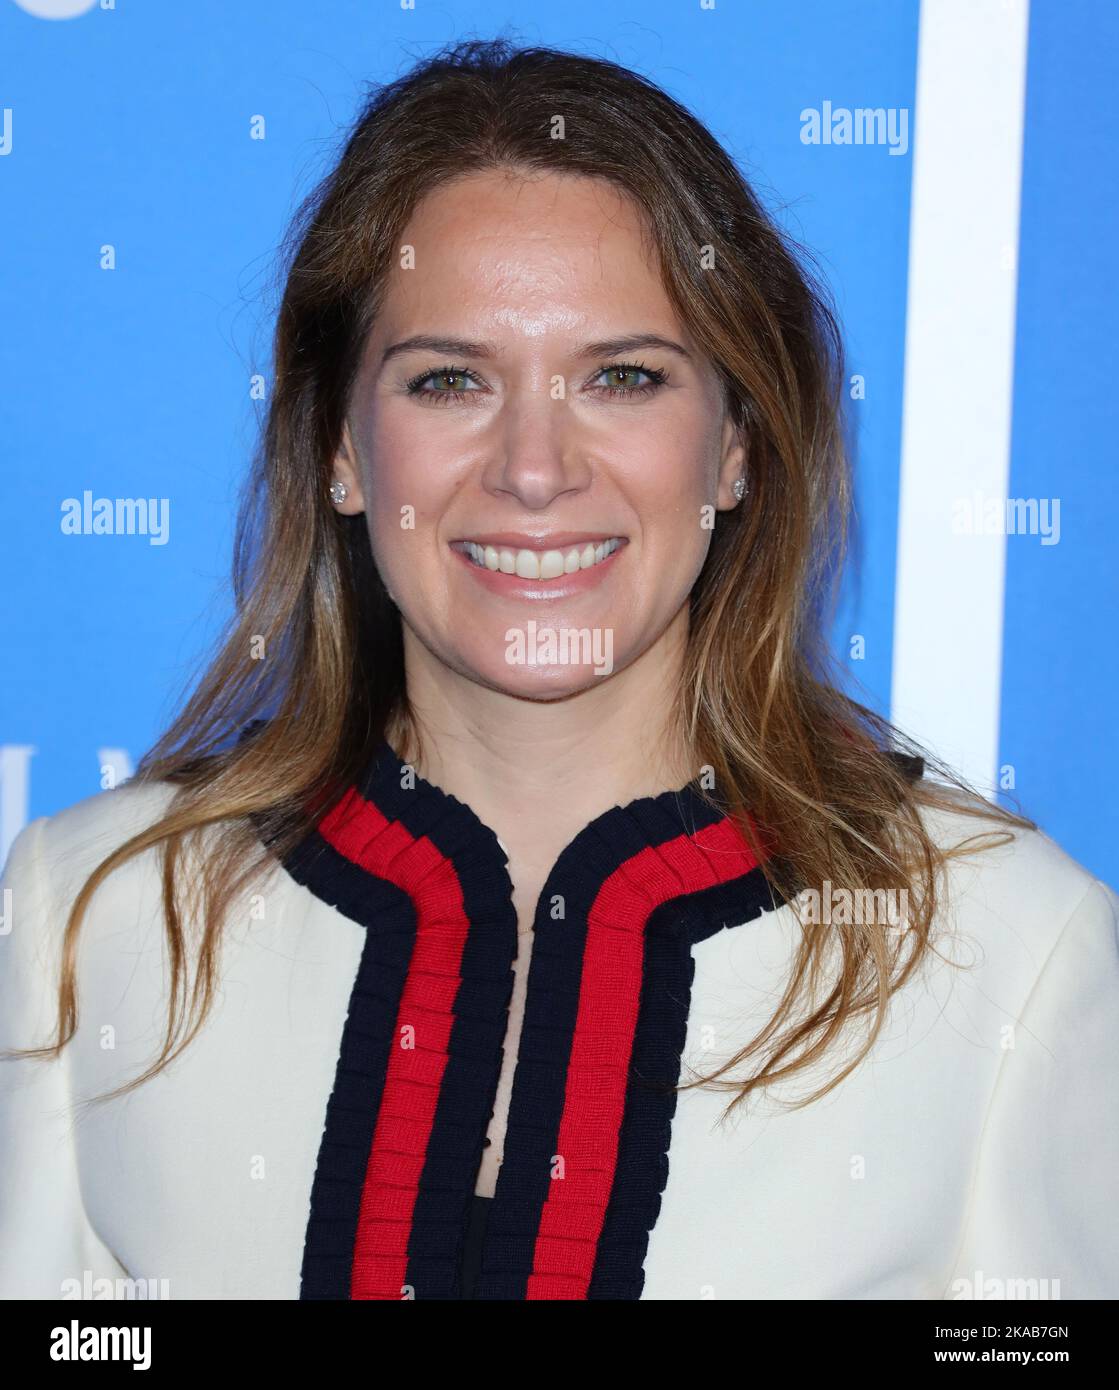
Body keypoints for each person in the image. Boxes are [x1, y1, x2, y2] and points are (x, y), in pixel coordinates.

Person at [2, 38, 1116, 1302]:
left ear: (738, 445)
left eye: (624, 377)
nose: (536, 468)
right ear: (341, 449)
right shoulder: (90, 919)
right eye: (451, 380)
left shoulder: (1014, 953)